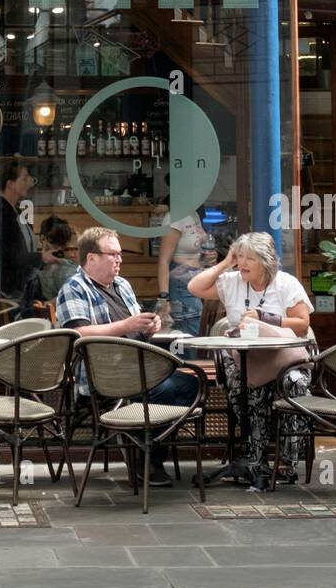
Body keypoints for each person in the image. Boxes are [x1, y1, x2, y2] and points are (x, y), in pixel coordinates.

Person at [56, 226, 199, 487]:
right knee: (164, 391)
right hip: (104, 376)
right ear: (91, 258)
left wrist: (149, 325)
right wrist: (126, 326)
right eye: (113, 254)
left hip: (139, 367)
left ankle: (147, 450)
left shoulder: (122, 285)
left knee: (192, 385)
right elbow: (77, 333)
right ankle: (146, 461)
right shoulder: (74, 288)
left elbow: (135, 327)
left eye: (120, 254)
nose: (120, 260)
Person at [188, 231, 314, 487]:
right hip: (247, 358)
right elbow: (195, 287)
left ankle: (287, 461)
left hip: (285, 358)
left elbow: (302, 324)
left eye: (250, 259)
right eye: (240, 257)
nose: (242, 263)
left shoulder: (285, 283)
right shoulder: (232, 281)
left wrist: (264, 317)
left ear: (266, 262)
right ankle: (256, 459)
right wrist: (225, 263)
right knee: (243, 386)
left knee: (294, 384)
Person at [0, 160, 58, 301]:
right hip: (12, 292)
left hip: (25, 287)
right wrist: (40, 258)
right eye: (24, 179)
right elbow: (9, 254)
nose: (29, 183)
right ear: (10, 184)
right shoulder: (2, 213)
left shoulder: (17, 211)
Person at [155, 208, 215, 339]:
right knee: (189, 334)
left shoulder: (193, 214)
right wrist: (164, 298)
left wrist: (207, 258)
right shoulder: (174, 218)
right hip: (181, 283)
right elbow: (163, 261)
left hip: (196, 278)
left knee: (198, 330)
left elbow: (195, 251)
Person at [37, 215, 78, 302]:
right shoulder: (34, 266)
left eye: (62, 243)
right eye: (55, 242)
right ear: (42, 238)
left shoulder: (68, 269)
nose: (59, 248)